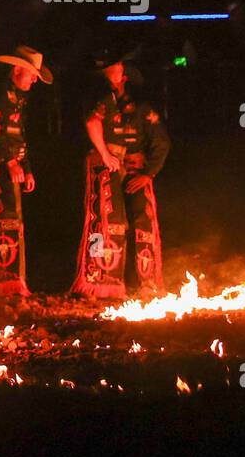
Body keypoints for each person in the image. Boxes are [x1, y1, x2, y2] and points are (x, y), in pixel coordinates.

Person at [71, 50, 171, 299]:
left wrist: (149, 174)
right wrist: (105, 154)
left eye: (113, 68)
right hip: (107, 168)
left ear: (124, 76)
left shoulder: (143, 110)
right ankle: (98, 277)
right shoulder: (101, 99)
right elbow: (92, 124)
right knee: (105, 219)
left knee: (142, 222)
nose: (108, 73)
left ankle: (143, 281)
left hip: (135, 170)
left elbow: (162, 143)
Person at [0, 46, 52, 300]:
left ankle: (10, 279)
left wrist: (25, 167)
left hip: (10, 167)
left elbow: (19, 136)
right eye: (31, 74)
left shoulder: (20, 98)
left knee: (12, 220)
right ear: (18, 69)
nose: (33, 79)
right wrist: (10, 162)